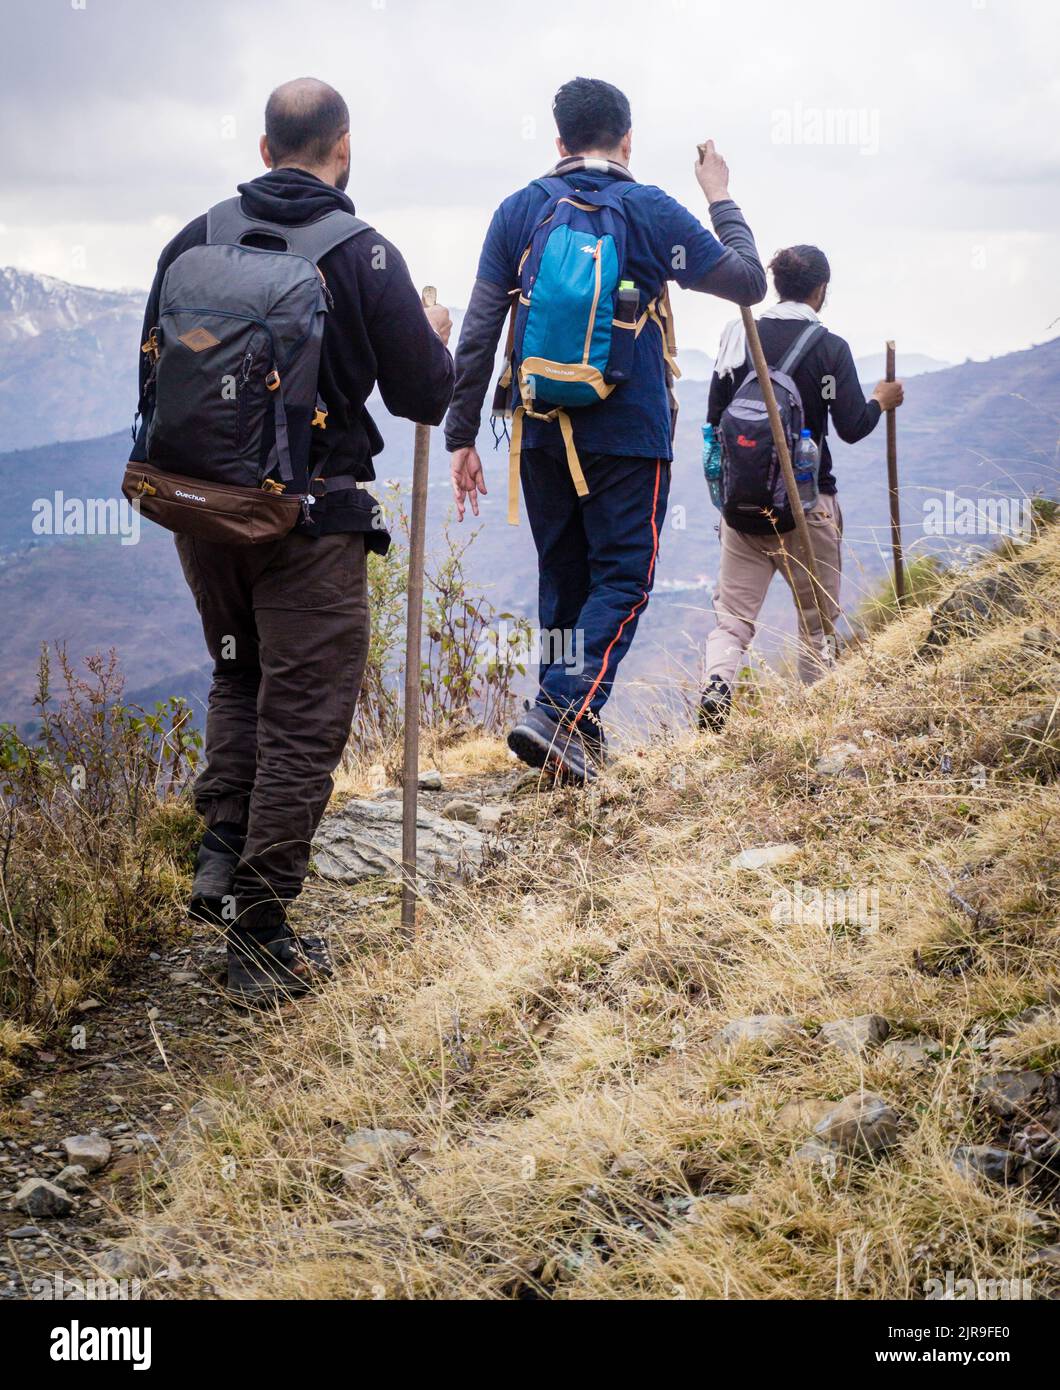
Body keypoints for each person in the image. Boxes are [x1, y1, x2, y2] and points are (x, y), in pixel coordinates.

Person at [133, 78, 454, 1002]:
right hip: (310, 524)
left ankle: (222, 857)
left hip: (203, 512)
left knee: (240, 674)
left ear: (266, 149)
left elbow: (159, 377)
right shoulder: (369, 258)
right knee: (305, 717)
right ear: (342, 149)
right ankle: (259, 932)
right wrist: (433, 334)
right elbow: (425, 396)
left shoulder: (190, 240)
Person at [446, 77, 766, 781]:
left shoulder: (520, 210)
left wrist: (460, 434)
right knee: (624, 574)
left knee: (564, 577)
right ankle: (560, 713)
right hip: (627, 427)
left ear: (558, 141)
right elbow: (747, 281)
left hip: (537, 426)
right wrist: (719, 195)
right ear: (629, 139)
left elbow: (478, 330)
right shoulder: (649, 210)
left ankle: (567, 718)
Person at [699, 244, 904, 729]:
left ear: (775, 285)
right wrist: (881, 400)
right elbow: (852, 426)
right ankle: (815, 722)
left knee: (732, 618)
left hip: (742, 509)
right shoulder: (830, 349)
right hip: (808, 507)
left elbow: (714, 421)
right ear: (821, 291)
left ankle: (716, 688)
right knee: (816, 624)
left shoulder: (736, 336)